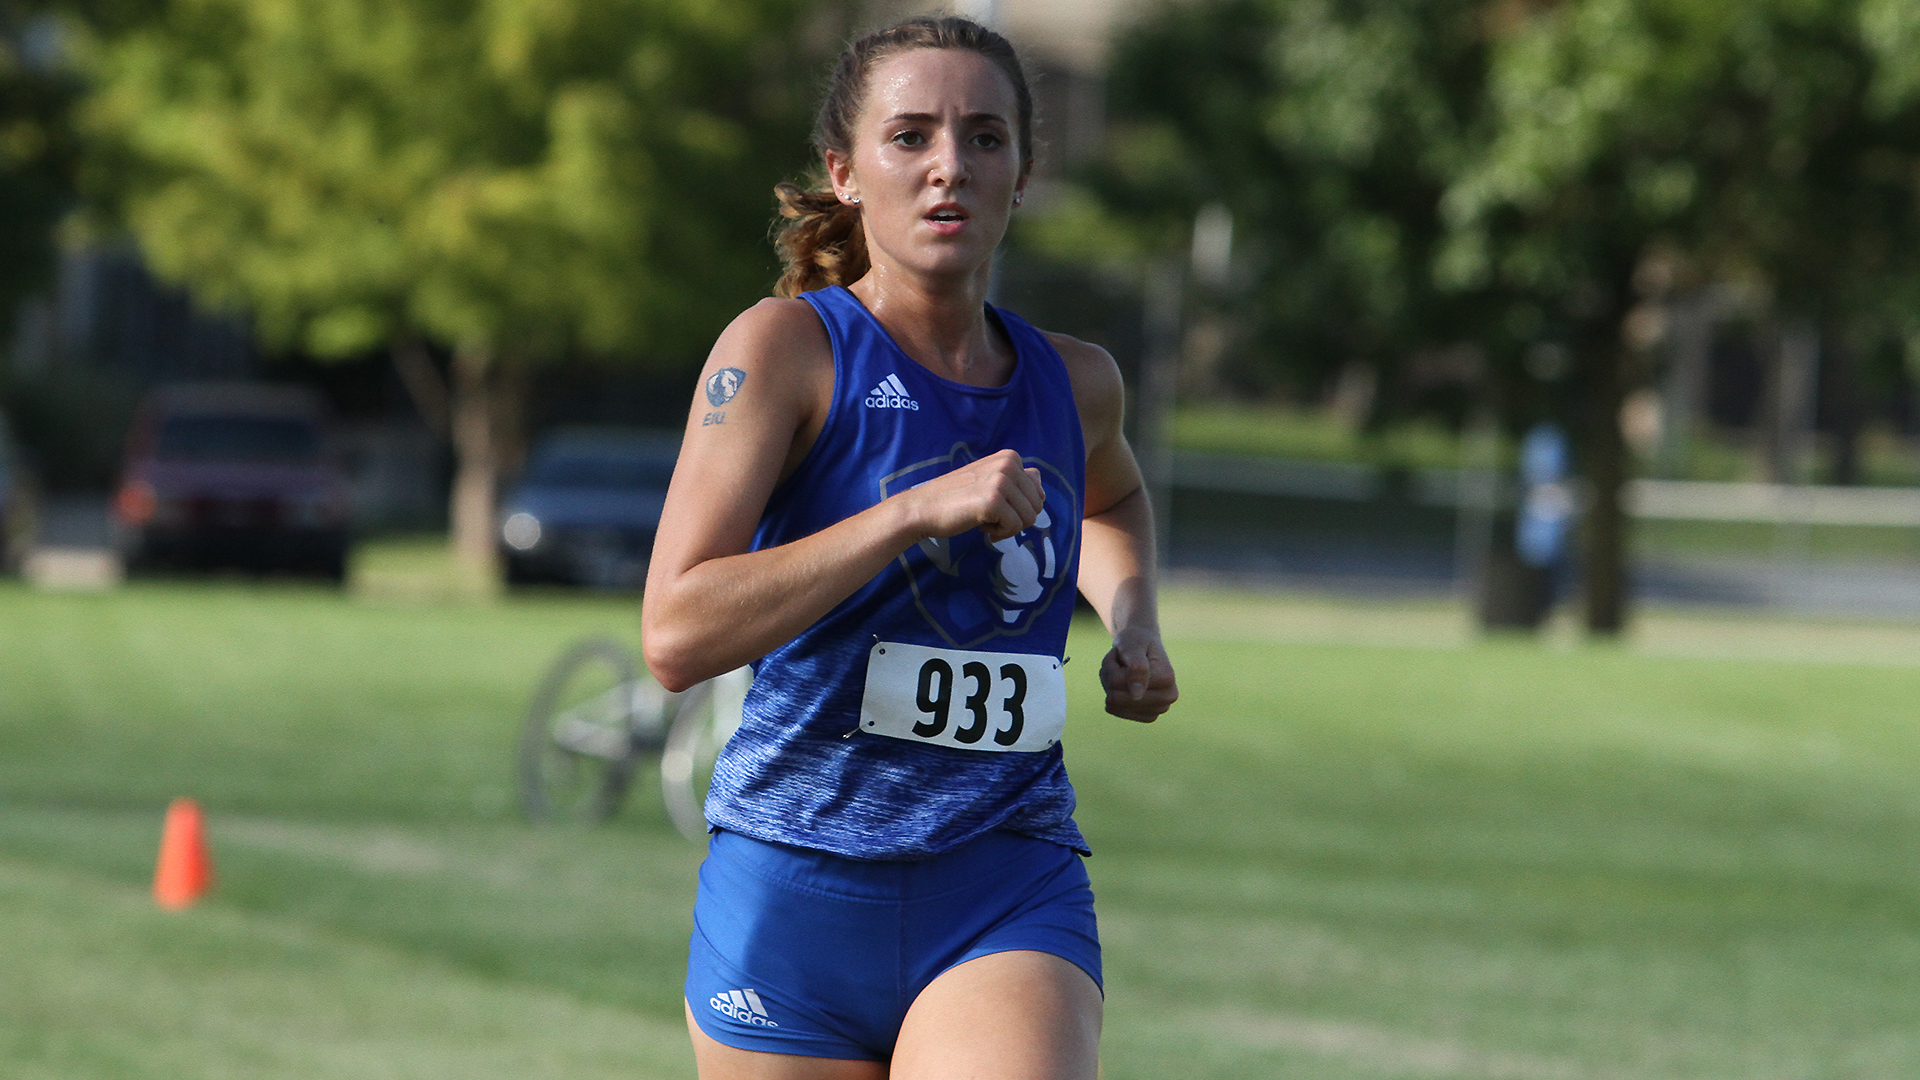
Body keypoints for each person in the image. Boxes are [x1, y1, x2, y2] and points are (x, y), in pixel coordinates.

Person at [642, 15, 1178, 1079]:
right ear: (845, 172)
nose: (949, 168)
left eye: (985, 138)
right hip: (793, 893)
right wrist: (909, 513)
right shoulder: (786, 351)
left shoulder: (1076, 383)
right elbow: (676, 631)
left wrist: (1135, 618)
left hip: (1003, 881)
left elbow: (1110, 501)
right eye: (911, 137)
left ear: (1023, 174)